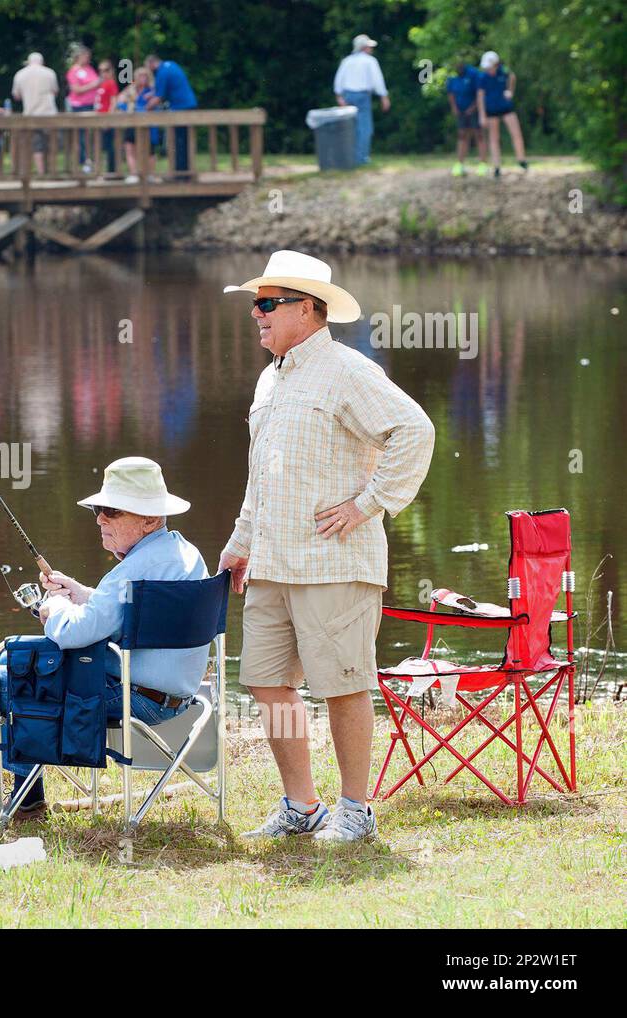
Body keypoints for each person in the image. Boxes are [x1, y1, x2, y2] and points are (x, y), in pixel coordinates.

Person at [218, 250, 434, 843]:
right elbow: (260, 474)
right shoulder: (270, 378)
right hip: (270, 563)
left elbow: (414, 431)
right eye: (254, 304)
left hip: (334, 562)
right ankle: (301, 805)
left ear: (308, 309)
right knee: (267, 682)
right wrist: (240, 542)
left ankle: (355, 811)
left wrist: (368, 504)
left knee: (343, 683)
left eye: (267, 303)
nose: (256, 314)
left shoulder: (347, 369)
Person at [0, 457, 210, 839]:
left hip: (131, 699)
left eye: (110, 511)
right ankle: (27, 802)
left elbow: (72, 633)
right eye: (98, 510)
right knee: (36, 669)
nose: (99, 520)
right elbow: (132, 613)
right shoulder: (183, 555)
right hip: (175, 699)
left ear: (150, 519)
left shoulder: (132, 570)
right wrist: (82, 593)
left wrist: (55, 606)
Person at [333, 34, 389, 165]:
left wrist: (339, 96)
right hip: (363, 97)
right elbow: (377, 80)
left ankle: (349, 158)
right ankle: (361, 159)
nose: (371, 49)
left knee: (349, 128)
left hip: (347, 96)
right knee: (364, 128)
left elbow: (338, 80)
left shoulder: (347, 61)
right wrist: (384, 96)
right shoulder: (370, 61)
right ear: (364, 47)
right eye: (369, 46)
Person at [477, 51, 528, 178]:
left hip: (506, 107)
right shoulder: (483, 77)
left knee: (516, 133)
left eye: (490, 67)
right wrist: (482, 115)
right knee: (494, 138)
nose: (489, 70)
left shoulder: (504, 71)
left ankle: (522, 160)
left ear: (496, 64)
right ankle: (497, 167)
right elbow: (480, 96)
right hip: (491, 109)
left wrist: (510, 91)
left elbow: (512, 77)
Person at [144, 53, 197, 172]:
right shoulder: (171, 65)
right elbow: (167, 89)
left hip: (181, 108)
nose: (149, 72)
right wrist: (151, 95)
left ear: (152, 63)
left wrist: (145, 109)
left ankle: (181, 172)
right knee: (184, 140)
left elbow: (159, 98)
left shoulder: (162, 72)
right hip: (189, 105)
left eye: (148, 67)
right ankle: (184, 170)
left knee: (179, 141)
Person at [11, 52, 59, 175]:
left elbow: (16, 95)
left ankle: (41, 172)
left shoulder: (20, 74)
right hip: (49, 113)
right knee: (51, 142)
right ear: (42, 61)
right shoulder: (49, 73)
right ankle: (52, 170)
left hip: (31, 114)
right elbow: (55, 91)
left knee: (36, 145)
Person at [445, 58, 487, 177]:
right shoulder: (452, 76)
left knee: (479, 134)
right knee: (462, 135)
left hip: (474, 110)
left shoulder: (473, 73)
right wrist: (454, 108)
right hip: (460, 111)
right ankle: (460, 164)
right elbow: (451, 94)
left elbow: (479, 92)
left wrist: (473, 107)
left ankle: (482, 164)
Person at [118, 66, 158, 182]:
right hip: (132, 122)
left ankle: (149, 174)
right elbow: (120, 102)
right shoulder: (130, 89)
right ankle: (134, 174)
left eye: (145, 76)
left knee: (150, 150)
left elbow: (153, 105)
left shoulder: (152, 90)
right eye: (140, 76)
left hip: (148, 124)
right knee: (130, 148)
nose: (142, 78)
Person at [65, 43, 101, 172]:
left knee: (90, 134)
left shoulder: (89, 69)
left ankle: (91, 158)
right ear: (78, 56)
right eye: (86, 56)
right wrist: (94, 85)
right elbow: (76, 89)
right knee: (81, 135)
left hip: (92, 105)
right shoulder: (73, 71)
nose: (88, 58)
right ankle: (82, 160)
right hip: (79, 106)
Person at [95, 58, 120, 175]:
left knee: (110, 146)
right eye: (100, 70)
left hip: (107, 119)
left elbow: (114, 101)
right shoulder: (102, 83)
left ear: (111, 71)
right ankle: (107, 170)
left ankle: (112, 171)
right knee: (104, 146)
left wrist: (108, 119)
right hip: (100, 118)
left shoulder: (111, 83)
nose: (103, 73)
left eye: (106, 70)